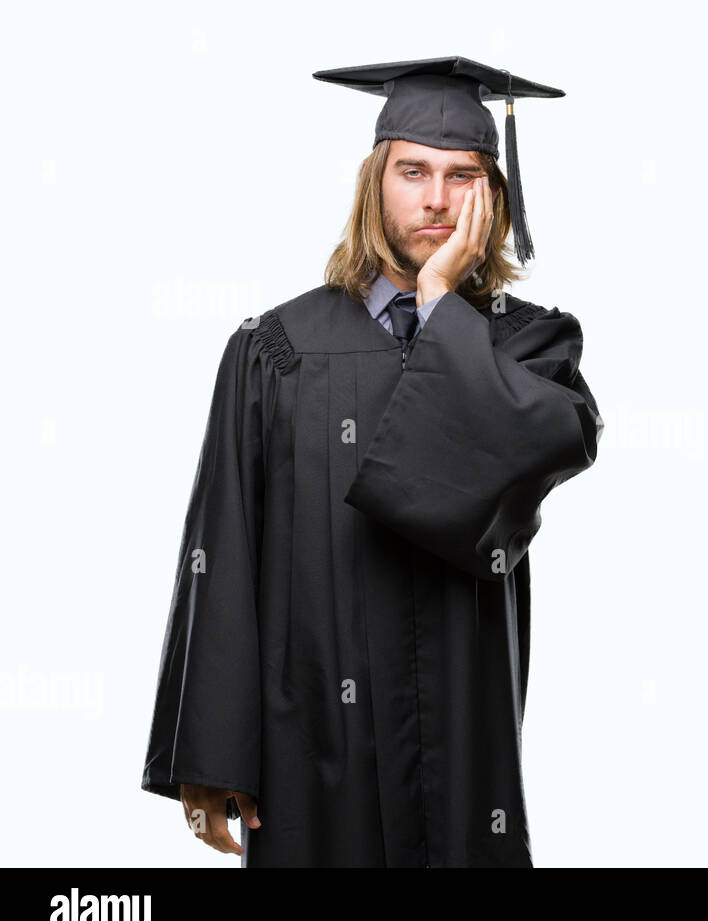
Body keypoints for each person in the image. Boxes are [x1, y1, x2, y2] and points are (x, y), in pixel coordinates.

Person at [141, 56, 603, 867]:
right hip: (312, 735)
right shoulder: (275, 350)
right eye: (413, 170)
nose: (436, 198)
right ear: (373, 182)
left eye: (463, 175)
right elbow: (225, 542)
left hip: (463, 737)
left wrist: (439, 304)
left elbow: (545, 442)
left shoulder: (528, 344)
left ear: (492, 194)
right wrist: (211, 757)